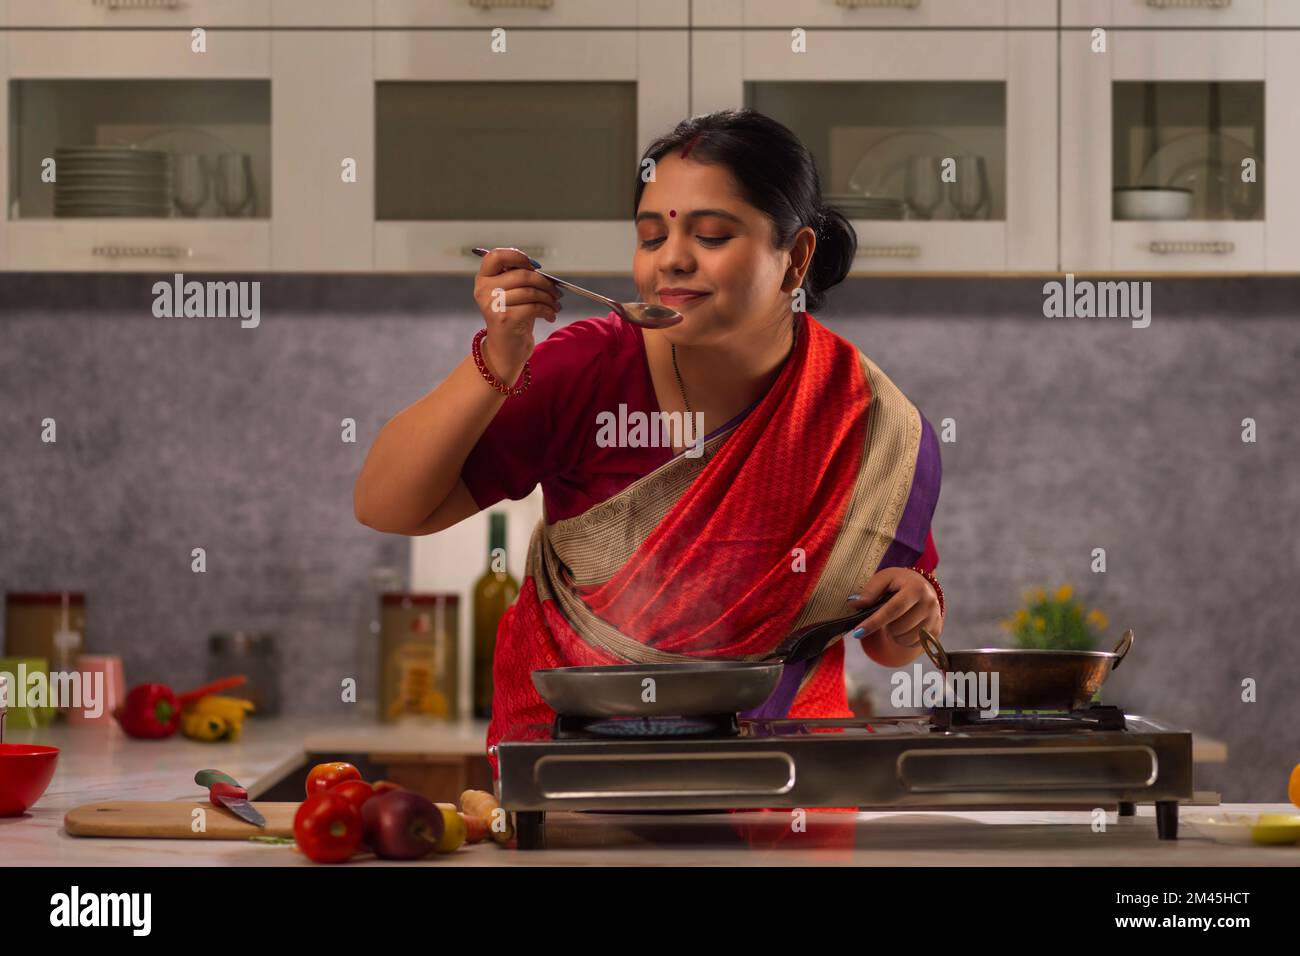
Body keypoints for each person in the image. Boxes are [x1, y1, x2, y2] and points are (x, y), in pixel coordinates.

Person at [354, 109, 944, 775]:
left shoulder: (865, 417)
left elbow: (889, 638)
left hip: (784, 781)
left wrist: (912, 610)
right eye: (650, 234)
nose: (673, 259)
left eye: (712, 234)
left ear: (796, 258)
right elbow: (388, 505)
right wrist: (497, 357)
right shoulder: (588, 371)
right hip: (575, 775)